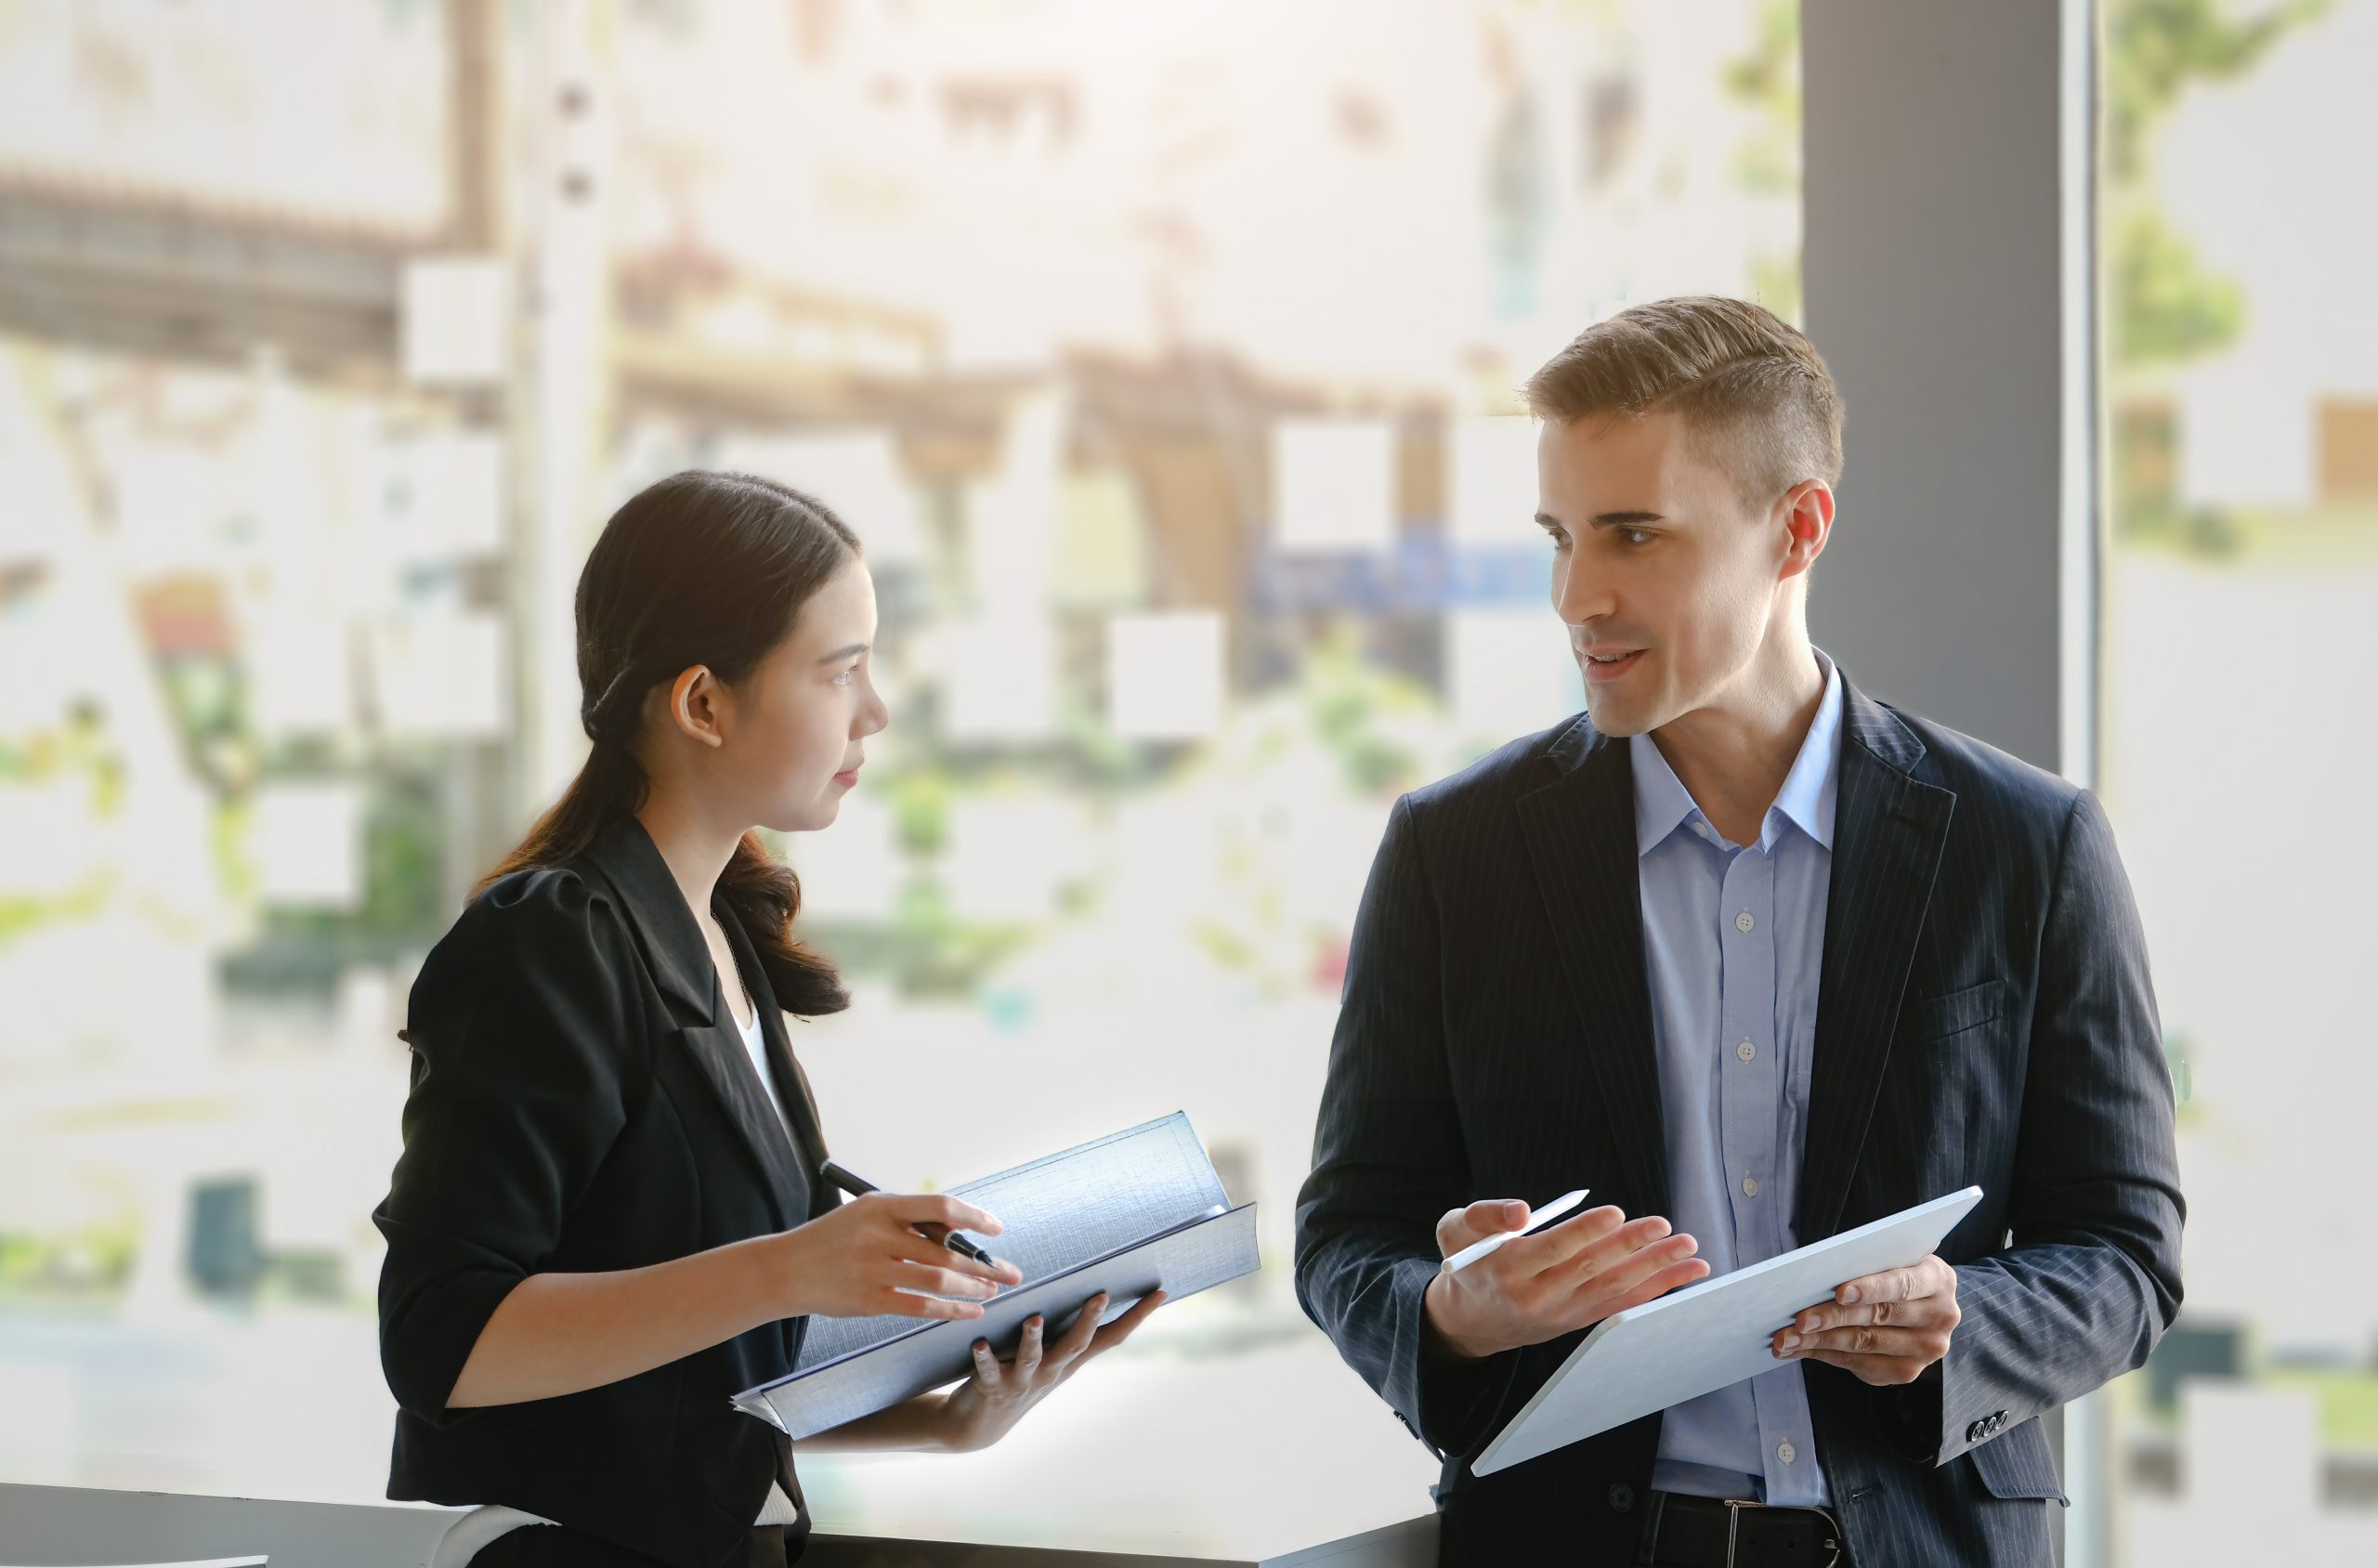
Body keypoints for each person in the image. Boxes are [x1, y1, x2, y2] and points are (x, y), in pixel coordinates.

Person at [1293, 297, 2183, 1567]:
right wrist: (1450, 1313)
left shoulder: (2025, 846)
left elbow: (2126, 1254)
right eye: (1561, 536)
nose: (1576, 596)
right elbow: (1347, 1233)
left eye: (1635, 535)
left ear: (1797, 528)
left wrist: (1962, 1316)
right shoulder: (1460, 853)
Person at [374, 471, 1164, 1568]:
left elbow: (691, 1389)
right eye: (840, 669)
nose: (875, 710)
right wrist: (791, 1267)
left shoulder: (718, 930)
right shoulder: (552, 937)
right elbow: (441, 1341)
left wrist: (939, 1422)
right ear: (703, 702)